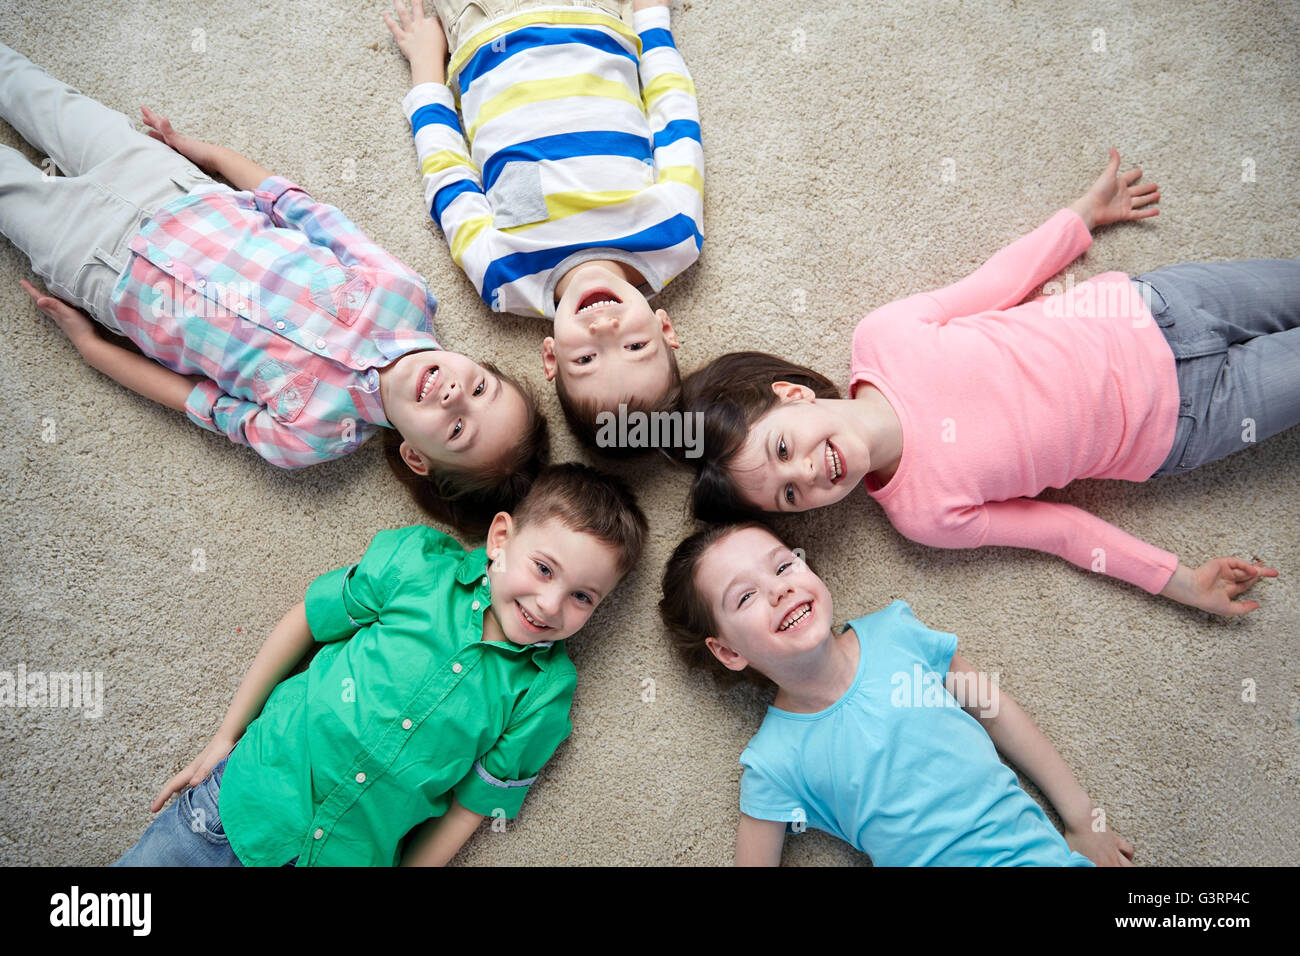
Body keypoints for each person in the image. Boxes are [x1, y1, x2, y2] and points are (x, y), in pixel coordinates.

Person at [680, 150, 1297, 615]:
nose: (807, 475)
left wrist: (1079, 218)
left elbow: (999, 282)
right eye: (790, 495)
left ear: (793, 395)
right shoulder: (924, 516)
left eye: (783, 450)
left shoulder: (884, 337)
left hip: (1159, 306)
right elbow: (1062, 532)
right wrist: (1181, 582)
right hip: (1186, 425)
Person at [0, 43, 548, 533]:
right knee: (37, 94)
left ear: (416, 458)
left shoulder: (311, 438)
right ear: (478, 363)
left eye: (456, 430)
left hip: (103, 270)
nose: (456, 399)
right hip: (174, 190)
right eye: (479, 390)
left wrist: (94, 350)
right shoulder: (404, 295)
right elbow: (306, 211)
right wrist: (206, 154)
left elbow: (198, 402)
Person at [112, 463, 648, 866]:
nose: (550, 605)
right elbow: (305, 619)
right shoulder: (416, 565)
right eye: (543, 568)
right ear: (501, 538)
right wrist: (223, 737)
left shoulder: (544, 693)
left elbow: (469, 809)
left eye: (583, 597)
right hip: (238, 806)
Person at [659, 522, 1135, 866]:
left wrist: (1081, 818)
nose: (778, 590)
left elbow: (996, 711)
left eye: (784, 565)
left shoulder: (896, 633)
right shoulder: (773, 763)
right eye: (744, 597)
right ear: (726, 651)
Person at [384, 0, 704, 453]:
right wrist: (652, 18)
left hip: (482, 32)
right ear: (664, 328)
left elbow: (447, 180)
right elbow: (675, 118)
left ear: (551, 356)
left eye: (587, 358)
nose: (604, 329)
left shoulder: (505, 278)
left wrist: (425, 72)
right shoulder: (676, 236)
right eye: (635, 346)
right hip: (593, 18)